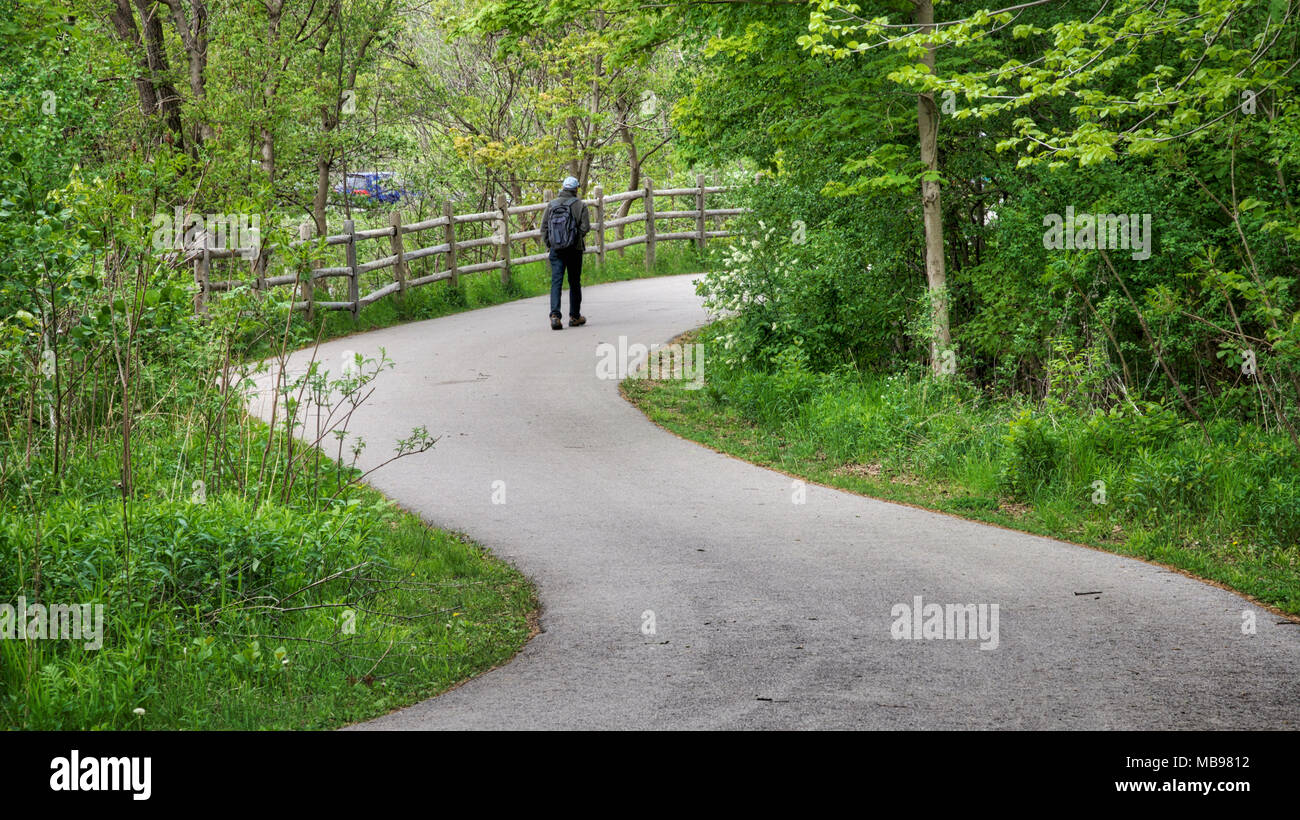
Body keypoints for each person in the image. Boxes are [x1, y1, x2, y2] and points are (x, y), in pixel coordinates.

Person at [541, 176, 590, 330]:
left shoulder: (551, 204)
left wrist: (551, 244)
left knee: (556, 281)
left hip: (556, 250)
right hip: (574, 249)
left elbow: (544, 228)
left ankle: (555, 316)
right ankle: (575, 316)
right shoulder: (581, 205)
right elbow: (585, 227)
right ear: (576, 189)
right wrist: (574, 239)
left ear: (562, 188)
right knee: (574, 282)